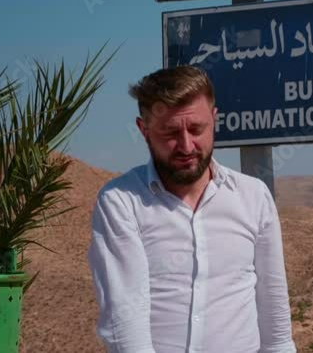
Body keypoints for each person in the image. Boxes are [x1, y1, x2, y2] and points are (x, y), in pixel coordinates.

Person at [87, 65, 296, 352]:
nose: (186, 146)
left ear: (214, 119)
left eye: (197, 129)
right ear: (144, 130)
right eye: (170, 132)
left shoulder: (254, 197)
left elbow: (276, 323)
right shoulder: (121, 202)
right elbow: (125, 320)